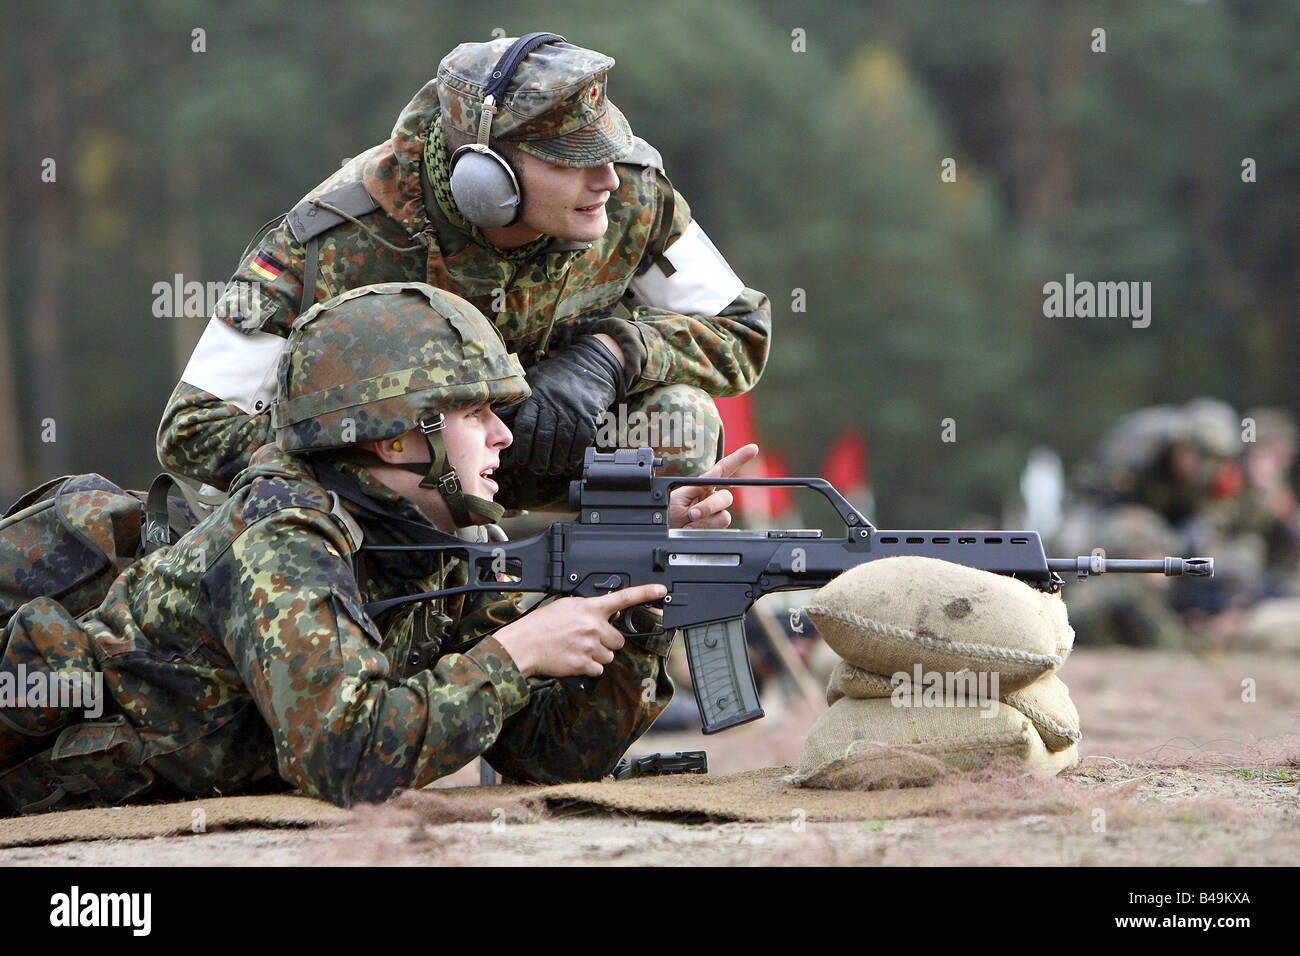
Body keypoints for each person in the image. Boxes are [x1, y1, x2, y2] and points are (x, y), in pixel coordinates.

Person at [0, 283, 755, 815]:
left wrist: (639, 598)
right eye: (474, 412)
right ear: (399, 436)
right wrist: (516, 652)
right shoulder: (284, 533)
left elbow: (550, 757)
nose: (502, 435)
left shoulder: (446, 543)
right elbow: (348, 757)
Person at [158, 33, 771, 511]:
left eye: (608, 152)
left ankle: (614, 635)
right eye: (575, 160)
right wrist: (380, 457)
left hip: (557, 448)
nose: (607, 179)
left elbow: (743, 331)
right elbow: (194, 430)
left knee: (683, 418)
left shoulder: (632, 199)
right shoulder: (330, 241)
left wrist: (614, 353)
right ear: (486, 176)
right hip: (400, 489)